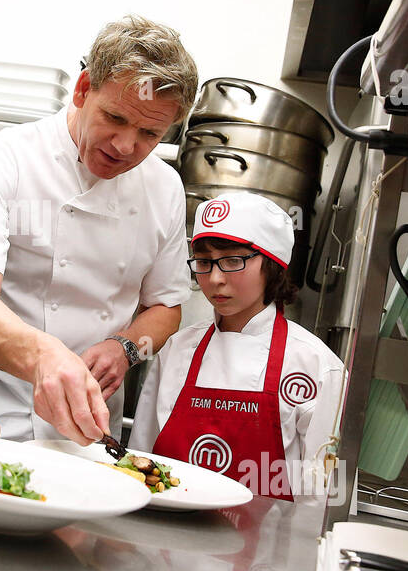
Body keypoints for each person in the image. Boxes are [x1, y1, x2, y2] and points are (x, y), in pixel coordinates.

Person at [0, 15, 198, 444]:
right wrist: (47, 358)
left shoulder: (164, 187)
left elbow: (166, 308)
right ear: (82, 90)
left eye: (150, 133)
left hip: (86, 426)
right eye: (114, 117)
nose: (125, 146)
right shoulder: (4, 158)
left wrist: (126, 348)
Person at [129, 192, 347, 500]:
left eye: (233, 260)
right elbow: (141, 465)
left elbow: (322, 499)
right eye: (204, 262)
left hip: (266, 545)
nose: (215, 278)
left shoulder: (317, 366)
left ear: (272, 265)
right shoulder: (177, 349)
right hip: (164, 537)